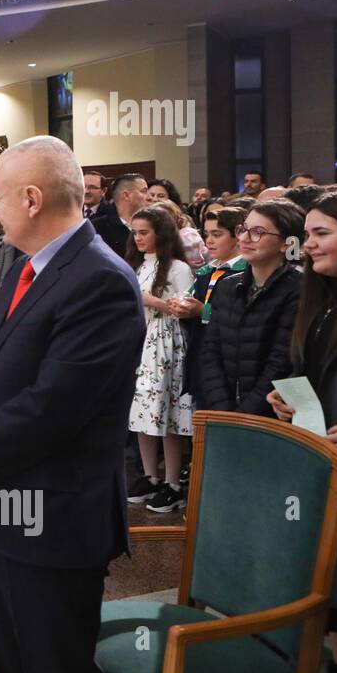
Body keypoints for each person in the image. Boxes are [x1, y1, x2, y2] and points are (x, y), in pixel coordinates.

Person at [0, 136, 146, 673]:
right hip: (3, 500)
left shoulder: (101, 279)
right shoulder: (26, 268)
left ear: (31, 199)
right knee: (8, 660)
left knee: (52, 668)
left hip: (56, 516)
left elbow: (56, 405)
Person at [269, 190, 337, 673]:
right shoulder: (324, 302)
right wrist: (289, 398)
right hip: (323, 461)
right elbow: (312, 372)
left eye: (322, 233)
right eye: (307, 234)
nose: (308, 245)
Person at [198, 200, 303, 416]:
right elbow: (210, 350)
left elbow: (280, 361)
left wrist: (244, 415)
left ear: (287, 244)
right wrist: (223, 409)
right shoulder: (227, 285)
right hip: (223, 409)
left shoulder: (298, 289)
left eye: (257, 232)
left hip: (269, 412)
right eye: (243, 229)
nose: (244, 238)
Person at [126, 205, 196, 513]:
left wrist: (150, 300)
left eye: (144, 232)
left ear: (161, 234)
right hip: (142, 342)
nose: (138, 238)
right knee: (142, 411)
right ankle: (150, 475)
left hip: (167, 343)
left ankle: (172, 482)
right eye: (135, 233)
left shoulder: (178, 268)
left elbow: (186, 308)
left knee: (167, 412)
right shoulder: (139, 265)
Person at [173, 206, 247, 410]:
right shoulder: (206, 270)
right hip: (202, 353)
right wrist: (181, 306)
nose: (209, 241)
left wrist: (202, 311)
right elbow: (190, 297)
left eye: (217, 234)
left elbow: (244, 314)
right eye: (207, 234)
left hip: (229, 360)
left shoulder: (246, 271)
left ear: (238, 235)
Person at [93, 172, 148, 261]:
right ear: (126, 195)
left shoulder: (153, 224)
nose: (149, 197)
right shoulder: (97, 228)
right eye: (144, 191)